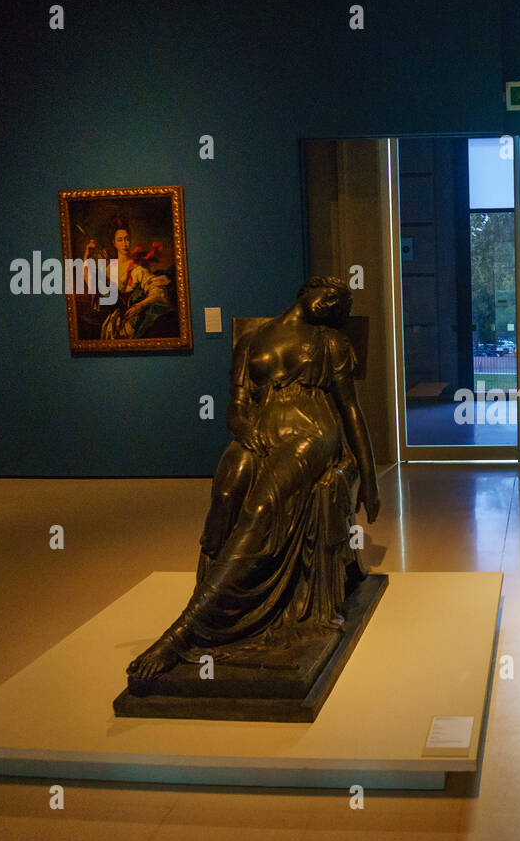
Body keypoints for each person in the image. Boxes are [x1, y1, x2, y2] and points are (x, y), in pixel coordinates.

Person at [128, 277, 379, 680]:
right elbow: (236, 407)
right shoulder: (253, 341)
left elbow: (350, 410)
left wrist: (369, 475)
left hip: (311, 429)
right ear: (306, 290)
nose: (333, 304)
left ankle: (181, 631)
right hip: (260, 430)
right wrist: (244, 428)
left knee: (262, 508)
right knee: (227, 493)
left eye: (341, 304)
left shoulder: (329, 344)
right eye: (329, 294)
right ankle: (220, 601)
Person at [87, 216, 174, 340]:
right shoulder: (108, 269)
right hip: (112, 324)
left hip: (133, 323)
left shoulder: (138, 270)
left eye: (127, 239)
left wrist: (140, 306)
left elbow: (157, 291)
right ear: (114, 243)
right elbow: (91, 282)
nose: (125, 243)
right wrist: (87, 254)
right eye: (120, 240)